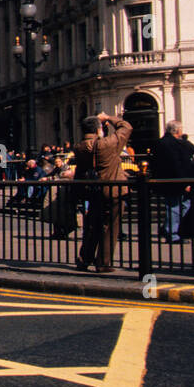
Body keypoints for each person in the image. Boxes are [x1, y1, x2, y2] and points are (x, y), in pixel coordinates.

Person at [73, 112, 132, 272]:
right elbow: (126, 127)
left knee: (92, 225)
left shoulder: (79, 147)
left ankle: (84, 259)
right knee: (110, 227)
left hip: (92, 190)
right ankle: (103, 262)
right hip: (112, 190)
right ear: (99, 129)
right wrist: (108, 118)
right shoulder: (107, 144)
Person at [150, 121, 194, 243]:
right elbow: (178, 165)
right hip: (176, 180)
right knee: (176, 206)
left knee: (177, 205)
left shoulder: (159, 143)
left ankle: (167, 228)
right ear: (177, 131)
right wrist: (185, 183)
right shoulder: (177, 144)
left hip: (164, 180)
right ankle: (172, 233)